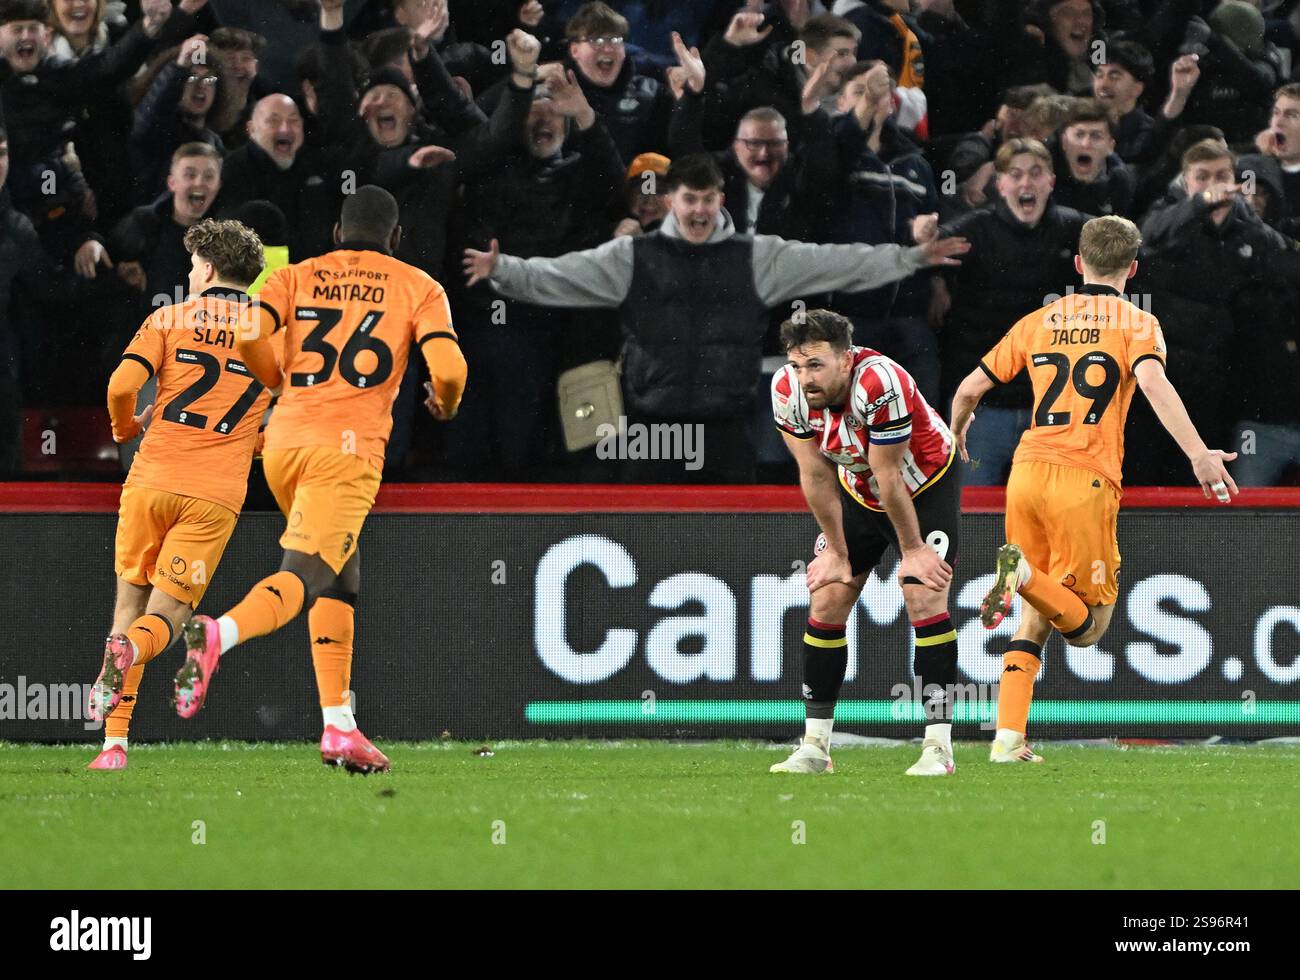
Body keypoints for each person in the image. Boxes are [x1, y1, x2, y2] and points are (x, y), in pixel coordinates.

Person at [175, 185, 467, 775]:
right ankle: (218, 634)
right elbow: (451, 369)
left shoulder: (294, 276)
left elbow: (248, 337)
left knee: (340, 577)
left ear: (336, 234)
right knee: (305, 576)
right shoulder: (419, 286)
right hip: (346, 453)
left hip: (283, 444)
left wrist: (278, 383)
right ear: (396, 238)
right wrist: (447, 402)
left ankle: (339, 726)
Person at [462, 153, 969, 484]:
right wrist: (503, 270)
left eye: (708, 199)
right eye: (690, 200)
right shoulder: (632, 257)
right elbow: (559, 275)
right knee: (645, 541)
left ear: (720, 200)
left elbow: (836, 262)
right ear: (670, 201)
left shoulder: (756, 257)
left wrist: (910, 259)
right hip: (651, 427)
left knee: (724, 543)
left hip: (726, 427)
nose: (699, 211)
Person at [948, 215, 1239, 764]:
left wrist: (958, 428)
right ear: (1133, 268)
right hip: (1085, 478)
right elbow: (1152, 382)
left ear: (1079, 263)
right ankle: (1021, 574)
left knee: (1036, 614)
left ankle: (1007, 739)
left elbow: (969, 388)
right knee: (1087, 630)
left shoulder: (1038, 320)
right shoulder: (1137, 323)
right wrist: (1198, 453)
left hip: (1027, 472)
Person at [86, 219, 271, 770]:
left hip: (151, 479)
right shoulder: (275, 336)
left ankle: (113, 746)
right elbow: (290, 423)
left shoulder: (168, 318)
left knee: (127, 608)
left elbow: (121, 386)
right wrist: (254, 441)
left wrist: (124, 429)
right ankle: (132, 655)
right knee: (166, 616)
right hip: (214, 493)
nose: (190, 275)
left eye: (193, 266)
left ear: (208, 268)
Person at [770, 308, 962, 778]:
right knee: (827, 598)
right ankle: (815, 747)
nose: (805, 377)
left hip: (923, 486)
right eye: (797, 365)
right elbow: (815, 473)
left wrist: (913, 550)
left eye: (816, 365)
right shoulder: (786, 390)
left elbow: (889, 475)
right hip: (859, 488)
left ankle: (938, 748)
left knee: (923, 593)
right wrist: (837, 554)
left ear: (845, 358)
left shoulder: (879, 382)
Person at [922, 138, 1089, 487]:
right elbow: (926, 251)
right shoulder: (973, 230)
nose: (1026, 182)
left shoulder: (1076, 230)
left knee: (1055, 510)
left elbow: (1127, 251)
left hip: (1053, 410)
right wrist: (935, 278)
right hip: (983, 410)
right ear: (1000, 184)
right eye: (1015, 174)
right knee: (972, 510)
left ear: (1051, 181)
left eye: (1035, 173)